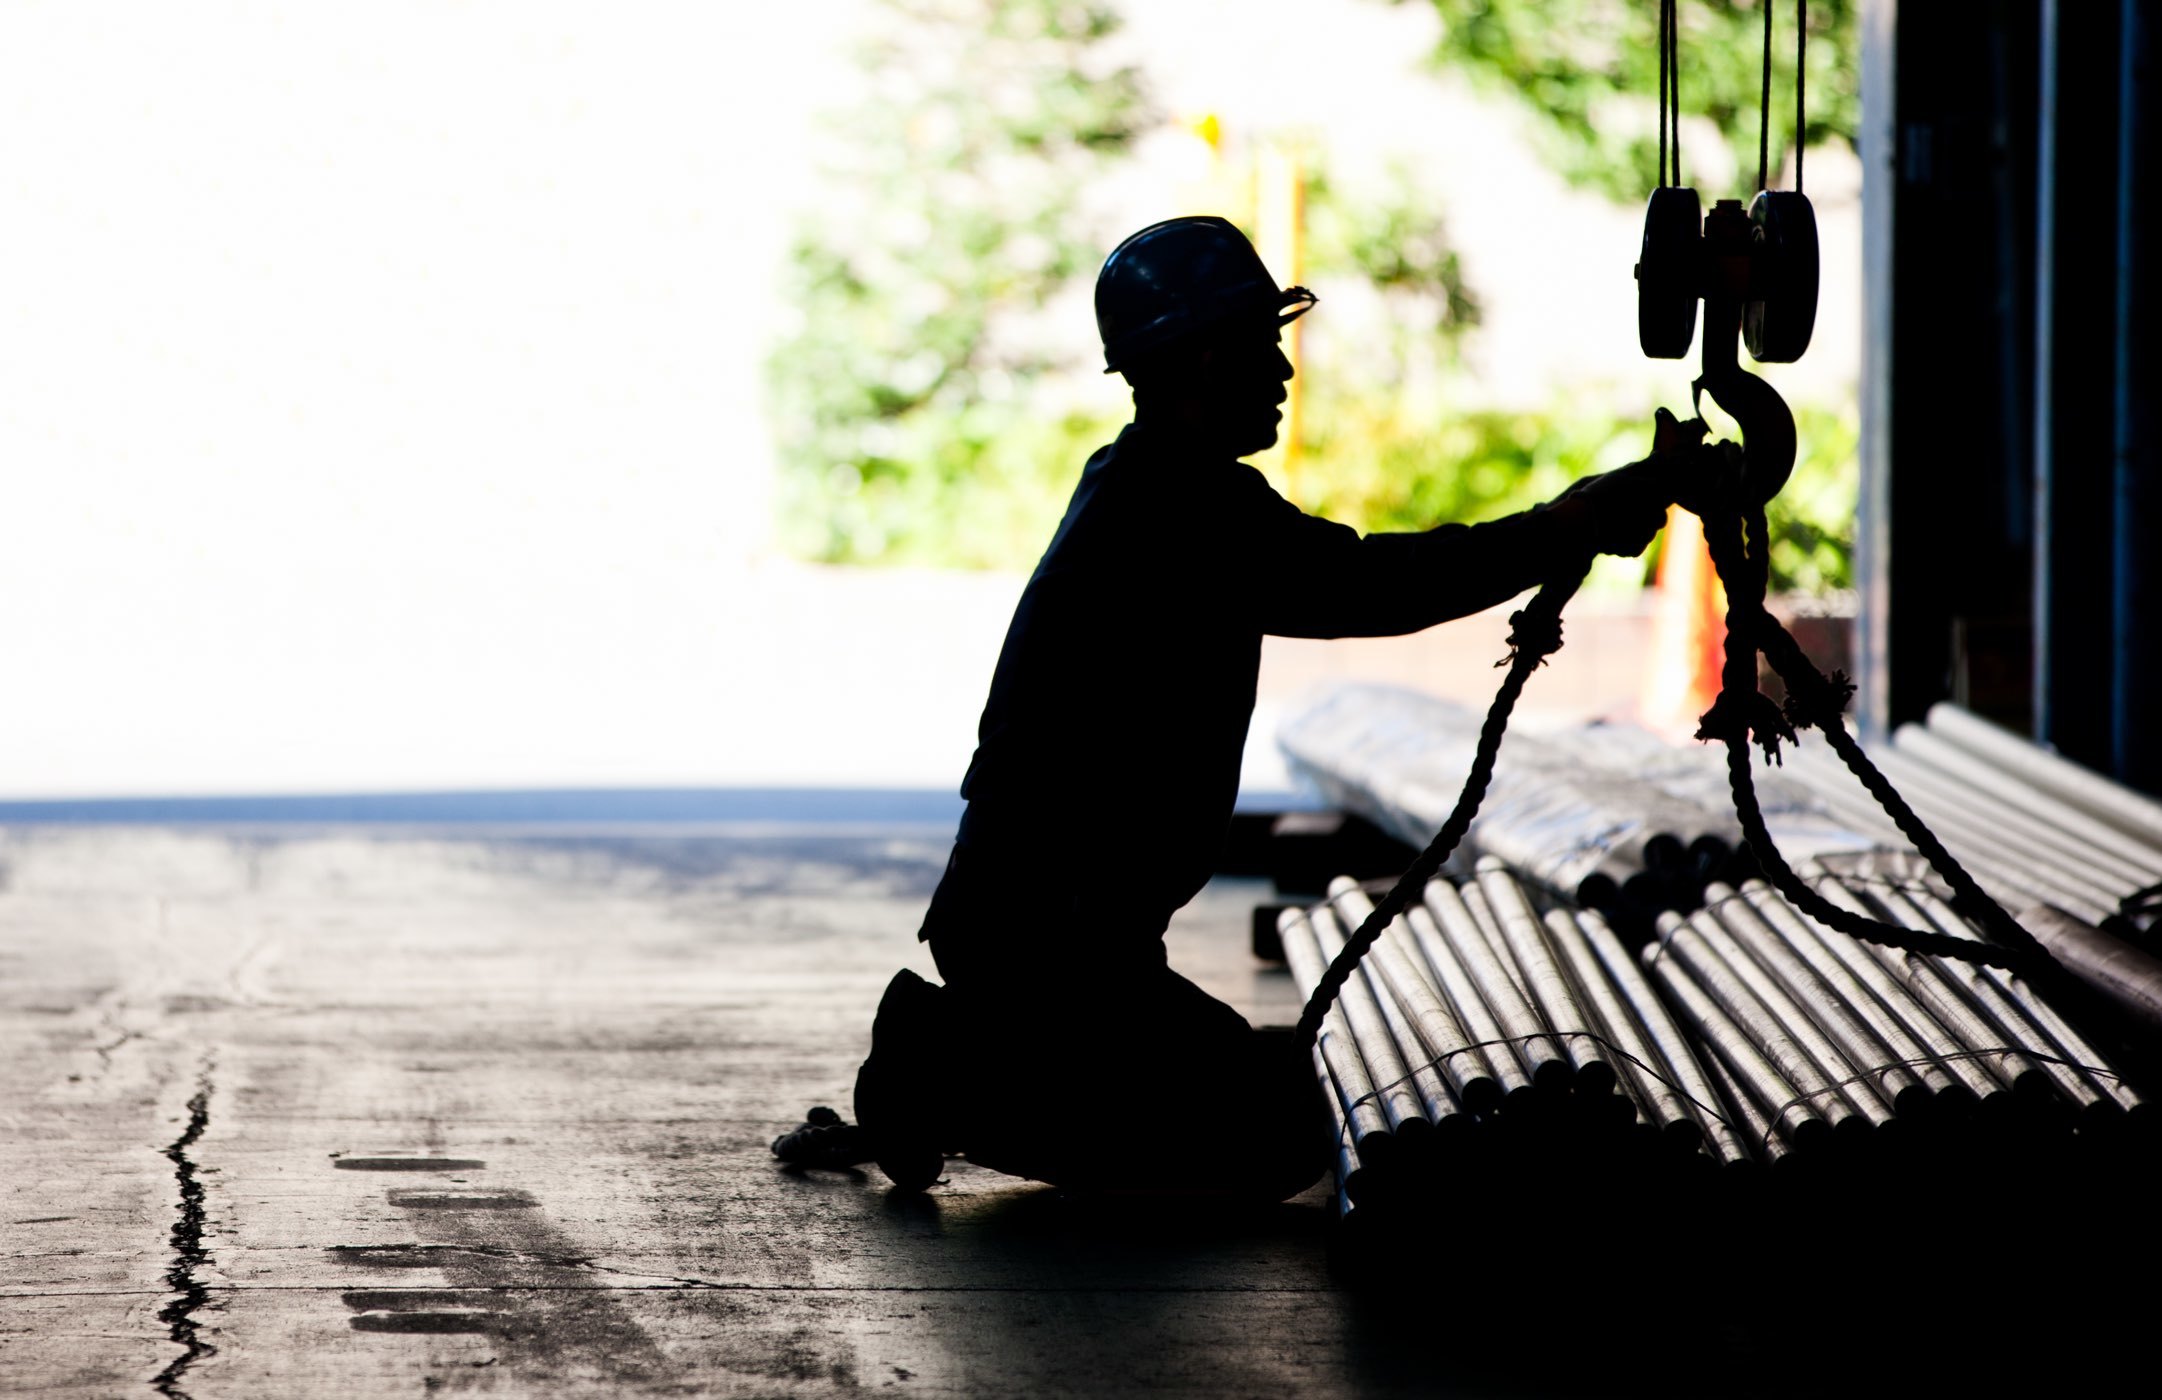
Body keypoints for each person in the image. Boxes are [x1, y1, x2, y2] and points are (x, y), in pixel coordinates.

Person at [845, 216, 1693, 1198]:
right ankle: (938, 1069)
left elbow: (1363, 578)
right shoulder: (1182, 512)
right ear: (1206, 357)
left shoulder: (1149, 480)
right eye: (1263, 345)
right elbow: (1374, 585)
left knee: (1275, 1095)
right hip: (1045, 950)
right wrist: (1567, 525)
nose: (1282, 371)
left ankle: (980, 1052)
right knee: (1267, 1135)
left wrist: (1564, 526)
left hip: (1059, 935)